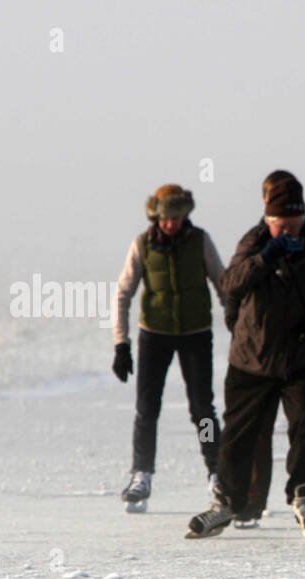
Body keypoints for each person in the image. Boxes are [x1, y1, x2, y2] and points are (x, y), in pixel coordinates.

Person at [188, 173, 305, 538]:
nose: (289, 231)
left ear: (303, 218)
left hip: (301, 358)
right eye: (281, 225)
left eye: (294, 224)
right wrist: (264, 258)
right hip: (250, 359)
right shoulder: (255, 241)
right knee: (239, 436)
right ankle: (227, 502)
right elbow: (230, 284)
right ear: (268, 220)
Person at [112, 184, 226, 511]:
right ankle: (141, 475)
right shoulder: (142, 245)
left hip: (196, 335)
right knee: (147, 410)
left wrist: (238, 325)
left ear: (185, 214)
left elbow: (223, 283)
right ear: (156, 216)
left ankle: (216, 472)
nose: (171, 224)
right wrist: (121, 344)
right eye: (166, 218)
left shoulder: (200, 241)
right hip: (155, 336)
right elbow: (122, 294)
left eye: (177, 217)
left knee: (203, 409)